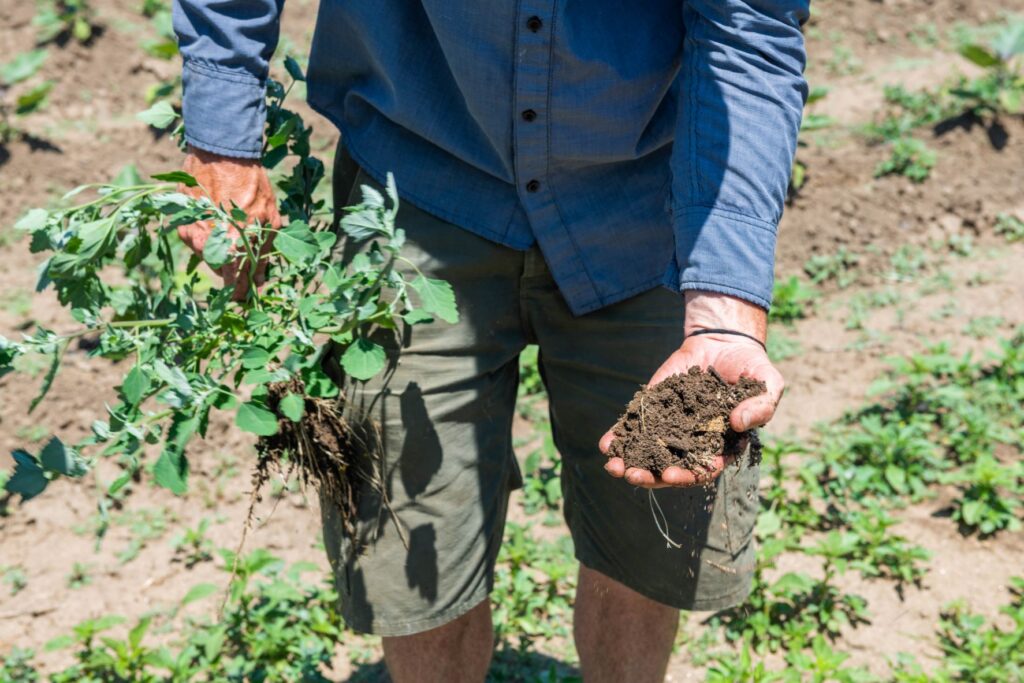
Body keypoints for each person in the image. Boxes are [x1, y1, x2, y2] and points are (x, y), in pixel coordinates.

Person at [172, 2, 808, 681]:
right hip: (418, 169)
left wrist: (721, 310)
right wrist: (222, 139)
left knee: (649, 518)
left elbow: (750, 24)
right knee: (413, 535)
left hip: (648, 187)